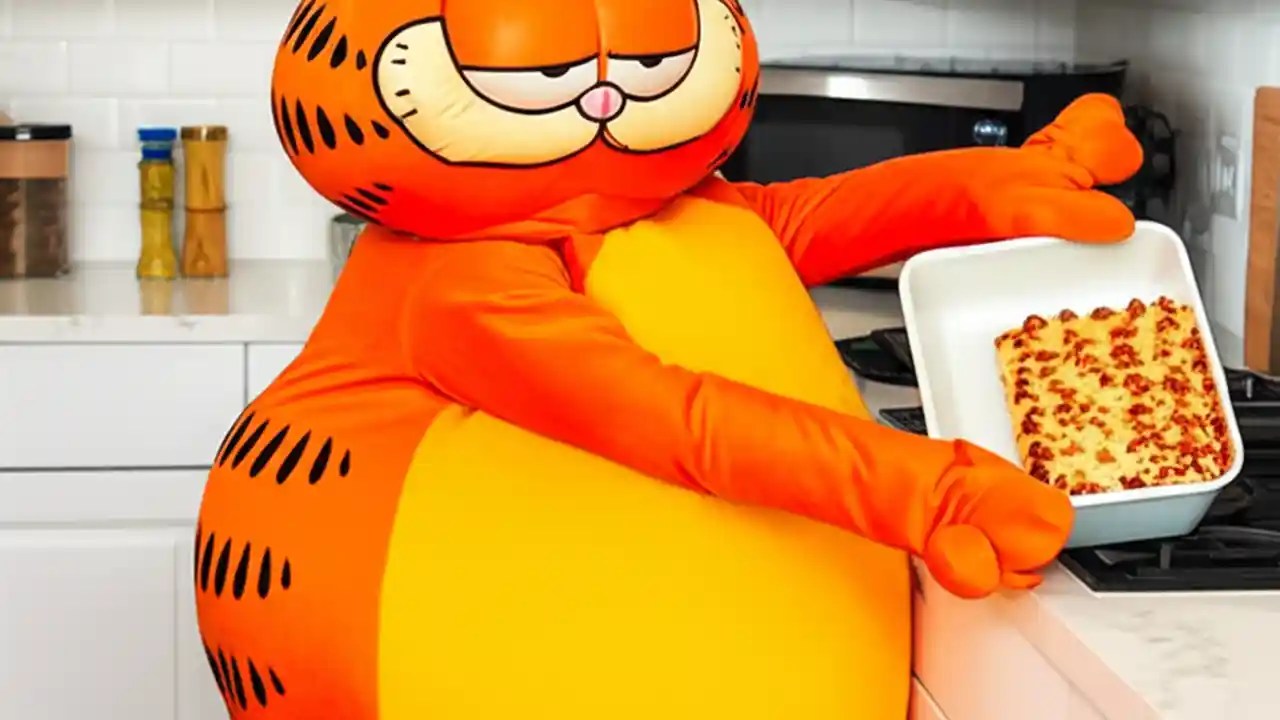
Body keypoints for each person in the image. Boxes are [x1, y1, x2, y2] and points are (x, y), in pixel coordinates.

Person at [194, 1, 1144, 717]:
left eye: (650, 61)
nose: (606, 92)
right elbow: (666, 420)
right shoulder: (462, 282)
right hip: (399, 635)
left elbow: (806, 217)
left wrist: (1001, 182)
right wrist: (922, 491)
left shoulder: (676, 210)